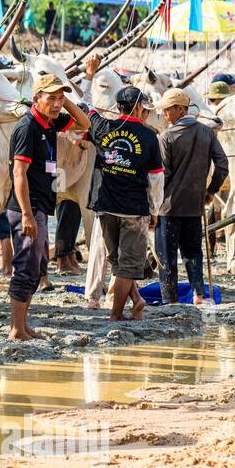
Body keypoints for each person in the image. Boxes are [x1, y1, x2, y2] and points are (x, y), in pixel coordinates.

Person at [6, 74, 90, 340]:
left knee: (37, 266)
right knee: (26, 267)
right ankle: (16, 329)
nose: (56, 104)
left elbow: (84, 123)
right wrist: (28, 215)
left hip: (40, 206)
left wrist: (64, 103)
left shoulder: (49, 123)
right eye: (51, 98)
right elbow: (19, 174)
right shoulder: (27, 127)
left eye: (60, 98)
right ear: (36, 98)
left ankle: (24, 325)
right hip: (26, 209)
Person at [87, 85, 164, 321]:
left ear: (118, 106)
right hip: (133, 209)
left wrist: (90, 84)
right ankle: (116, 315)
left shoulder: (103, 127)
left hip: (105, 206)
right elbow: (156, 179)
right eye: (144, 109)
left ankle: (137, 300)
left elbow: (87, 110)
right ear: (139, 107)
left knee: (117, 262)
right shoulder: (150, 137)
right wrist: (155, 210)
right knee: (127, 266)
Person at [156, 88, 228, 305]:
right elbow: (222, 165)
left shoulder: (167, 136)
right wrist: (210, 191)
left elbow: (162, 175)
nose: (164, 114)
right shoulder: (207, 133)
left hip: (168, 207)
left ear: (180, 109)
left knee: (166, 257)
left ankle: (170, 300)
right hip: (194, 206)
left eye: (168, 110)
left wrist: (154, 202)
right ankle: (198, 294)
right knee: (193, 253)